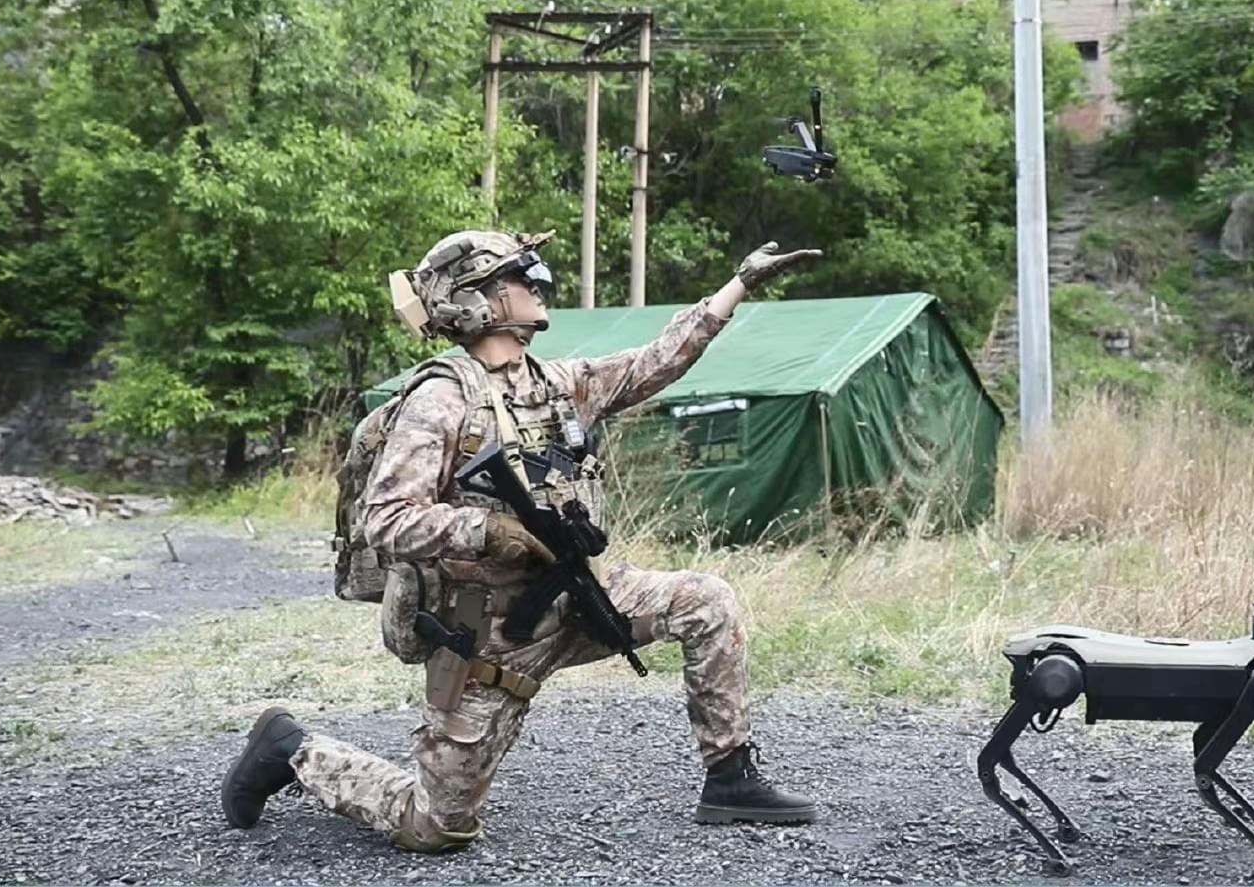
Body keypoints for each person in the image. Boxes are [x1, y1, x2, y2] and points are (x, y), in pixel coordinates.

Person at [220, 229, 822, 851]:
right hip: (490, 636)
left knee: (706, 599)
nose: (537, 284)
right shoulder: (441, 397)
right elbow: (387, 517)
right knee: (437, 827)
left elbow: (657, 360)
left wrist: (740, 283)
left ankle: (729, 778)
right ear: (477, 300)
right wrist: (487, 528)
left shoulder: (556, 385)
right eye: (519, 277)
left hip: (574, 599)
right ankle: (291, 749)